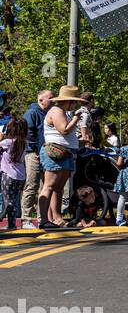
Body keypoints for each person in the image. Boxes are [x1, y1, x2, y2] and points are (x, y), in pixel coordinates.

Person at [38, 86, 86, 227]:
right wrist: (77, 118)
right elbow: (64, 129)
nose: (75, 105)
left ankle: (57, 218)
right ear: (68, 101)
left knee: (59, 187)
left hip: (65, 152)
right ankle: (44, 219)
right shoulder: (57, 111)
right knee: (49, 186)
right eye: (74, 102)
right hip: (55, 152)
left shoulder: (64, 112)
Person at [21, 90, 53, 228]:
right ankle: (26, 219)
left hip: (45, 153)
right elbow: (28, 133)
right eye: (50, 98)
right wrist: (36, 150)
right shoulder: (32, 113)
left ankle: (43, 219)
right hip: (33, 154)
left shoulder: (48, 114)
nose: (53, 101)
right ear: (41, 100)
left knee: (44, 186)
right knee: (31, 185)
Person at [1, 118, 27, 230]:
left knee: (8, 199)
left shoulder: (7, 142)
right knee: (15, 200)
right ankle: (11, 224)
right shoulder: (24, 143)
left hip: (8, 174)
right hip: (20, 175)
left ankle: (3, 212)